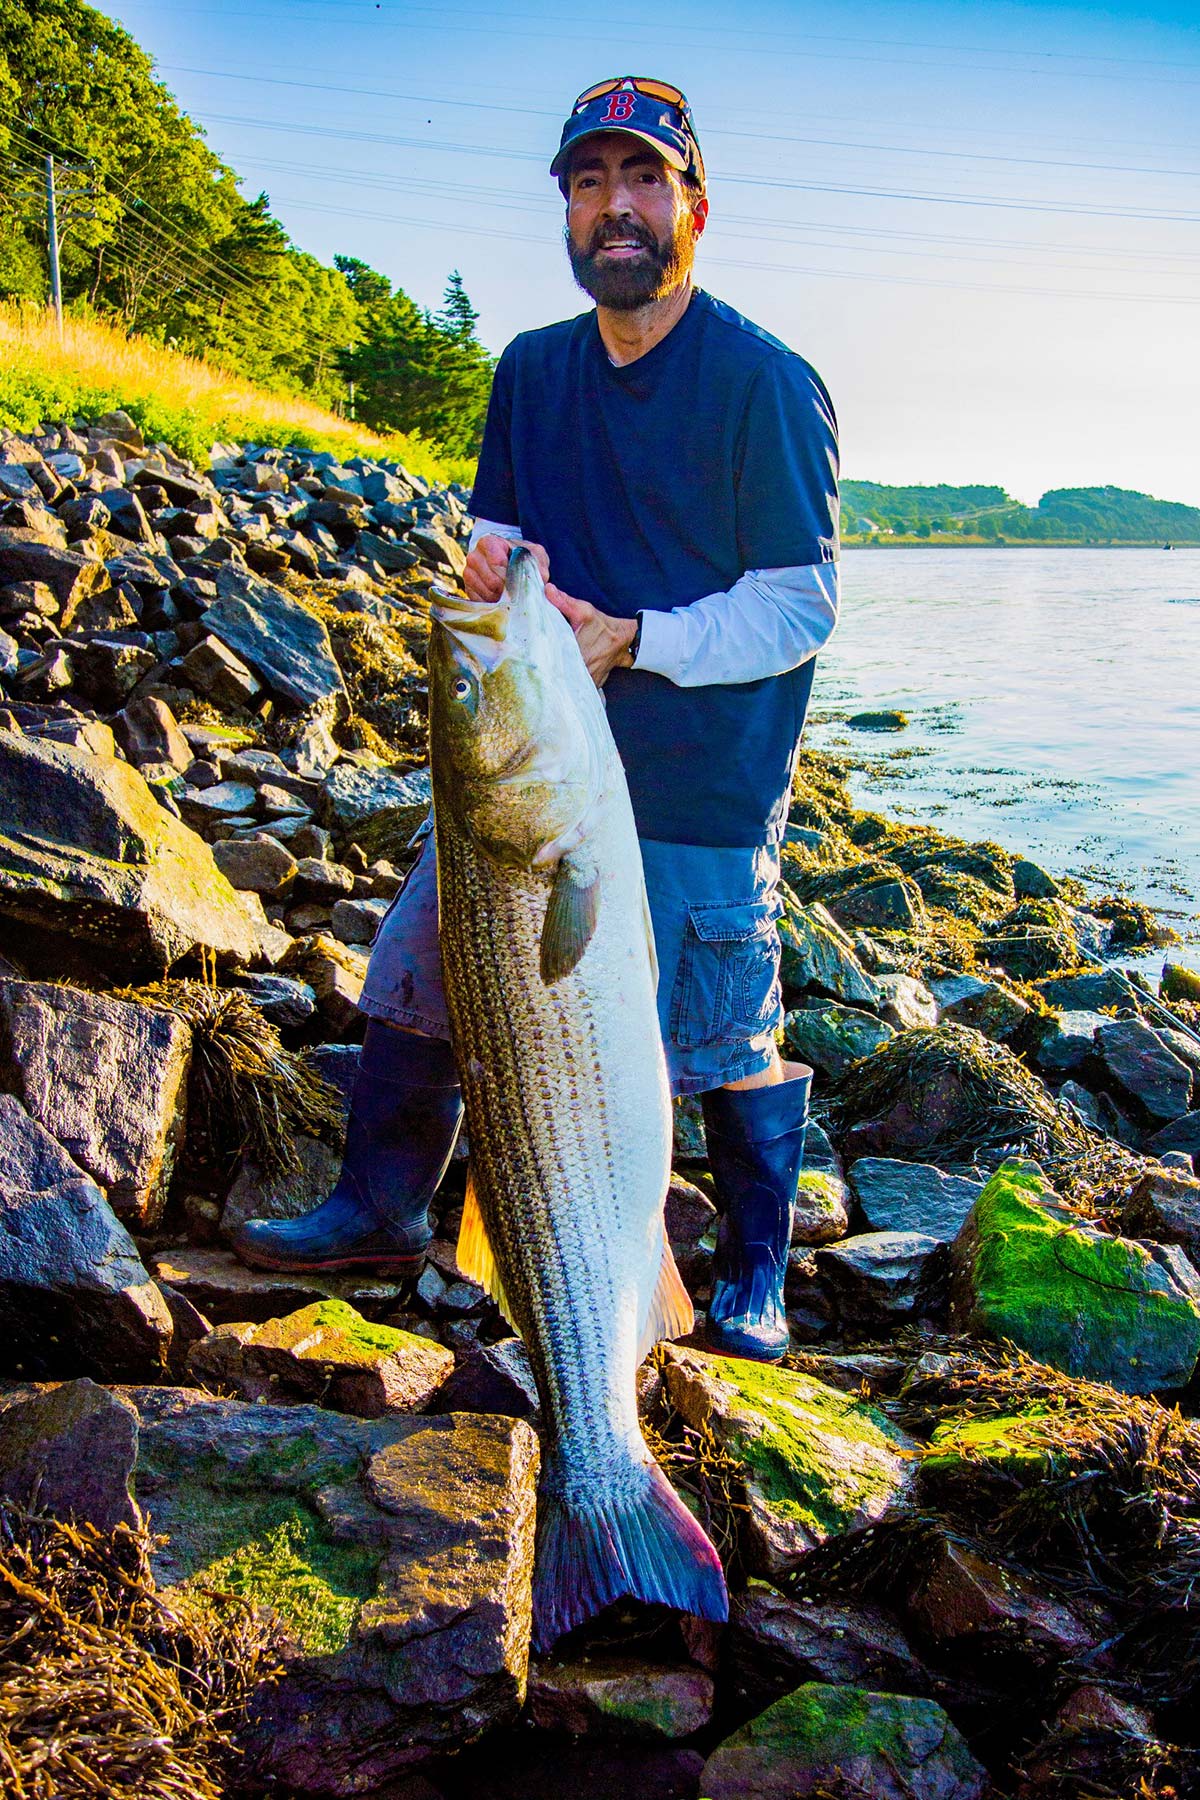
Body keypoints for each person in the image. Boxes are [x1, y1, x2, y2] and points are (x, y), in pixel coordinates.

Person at [235, 76, 840, 1364]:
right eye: (587, 185)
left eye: (642, 181)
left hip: (694, 776)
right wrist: (493, 569)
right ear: (566, 211)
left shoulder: (765, 383)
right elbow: (498, 531)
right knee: (411, 971)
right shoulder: (530, 369)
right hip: (525, 764)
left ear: (694, 207)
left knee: (717, 1031)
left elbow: (798, 606)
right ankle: (379, 1206)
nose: (614, 208)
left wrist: (634, 639)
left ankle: (749, 1274)